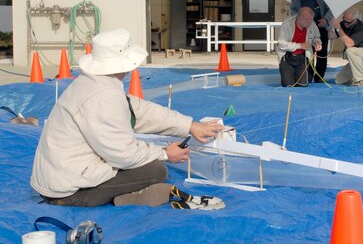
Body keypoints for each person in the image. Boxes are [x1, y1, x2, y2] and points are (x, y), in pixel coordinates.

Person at [30, 29, 224, 209]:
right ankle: (123, 197)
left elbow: (138, 111)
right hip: (68, 190)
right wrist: (164, 154)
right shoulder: (102, 96)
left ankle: (127, 195)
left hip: (60, 175)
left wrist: (189, 126)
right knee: (156, 170)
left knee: (150, 163)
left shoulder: (96, 82)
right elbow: (123, 153)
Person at [290, 0, 333, 82]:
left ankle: (319, 78)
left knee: (321, 52)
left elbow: (331, 8)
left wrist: (326, 19)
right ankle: (308, 76)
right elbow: (293, 11)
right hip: (306, 27)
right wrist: (301, 20)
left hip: (321, 25)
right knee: (307, 51)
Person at [330, 8, 363, 86]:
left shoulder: (362, 28)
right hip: (358, 59)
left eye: (348, 22)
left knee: (350, 51)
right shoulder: (343, 24)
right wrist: (331, 26)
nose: (345, 24)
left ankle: (361, 80)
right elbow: (331, 36)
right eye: (344, 20)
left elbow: (349, 44)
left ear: (355, 20)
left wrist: (338, 28)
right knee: (338, 80)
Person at [277, 7, 322, 87]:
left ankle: (299, 74)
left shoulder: (312, 23)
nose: (310, 22)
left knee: (303, 84)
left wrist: (317, 42)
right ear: (299, 19)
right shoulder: (286, 25)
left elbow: (316, 37)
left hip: (303, 57)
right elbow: (281, 44)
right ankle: (288, 73)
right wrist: (300, 46)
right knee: (288, 85)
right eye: (308, 20)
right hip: (288, 56)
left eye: (311, 19)